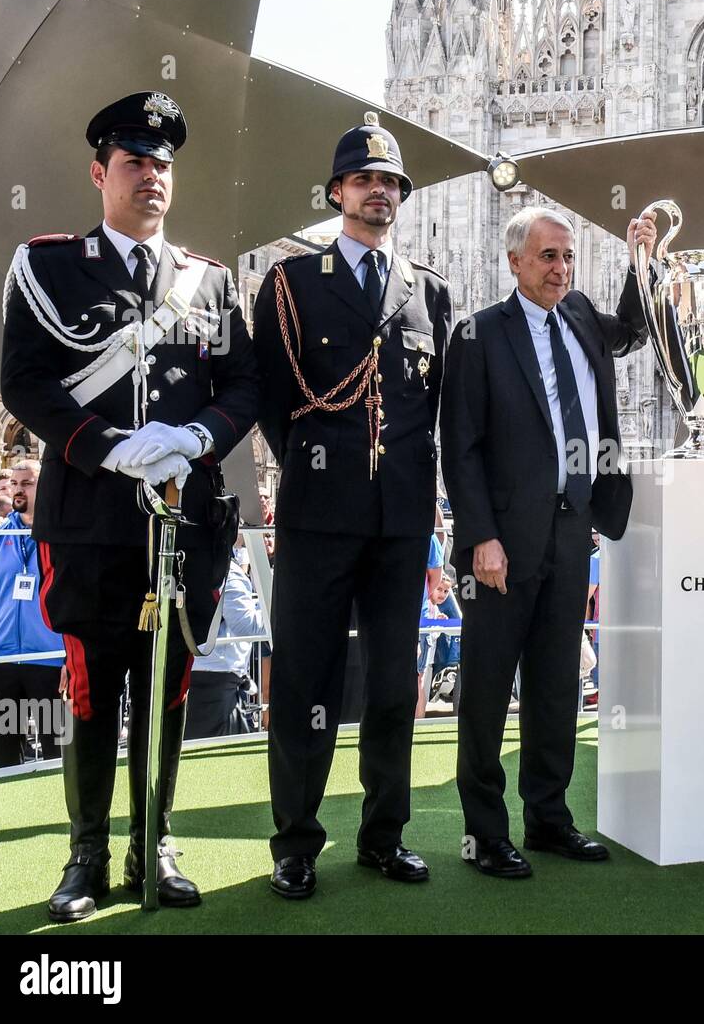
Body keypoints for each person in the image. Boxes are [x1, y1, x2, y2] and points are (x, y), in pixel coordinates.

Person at [0, 91, 259, 920]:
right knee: (89, 688)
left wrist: (197, 437)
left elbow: (247, 383)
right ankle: (86, 854)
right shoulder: (47, 267)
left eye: (162, 165)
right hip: (89, 518)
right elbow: (27, 383)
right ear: (99, 172)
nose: (151, 177)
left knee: (168, 685)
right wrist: (109, 446)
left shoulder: (209, 282)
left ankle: (157, 841)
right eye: (135, 162)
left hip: (184, 522)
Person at [254, 116, 450, 899]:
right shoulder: (294, 282)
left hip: (400, 521)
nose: (379, 193)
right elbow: (273, 397)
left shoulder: (428, 289)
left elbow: (433, 403)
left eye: (390, 184)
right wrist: (321, 468)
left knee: (395, 687)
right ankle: (297, 841)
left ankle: (383, 834)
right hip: (317, 515)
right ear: (337, 192)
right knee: (306, 680)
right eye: (365, 181)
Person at [440, 206, 653, 878]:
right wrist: (480, 536)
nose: (561, 268)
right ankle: (485, 834)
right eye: (547, 257)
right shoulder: (478, 335)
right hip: (502, 543)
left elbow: (636, 330)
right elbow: (461, 446)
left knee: (558, 685)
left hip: (573, 530)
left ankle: (550, 819)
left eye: (566, 256)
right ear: (515, 262)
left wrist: (639, 259)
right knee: (486, 691)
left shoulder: (584, 315)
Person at [0, 461, 65, 767]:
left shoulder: (61, 536)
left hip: (50, 664)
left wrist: (71, 657)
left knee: (58, 756)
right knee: (6, 759)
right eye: (14, 483)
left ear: (45, 485)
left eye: (28, 483)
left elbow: (77, 599)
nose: (18, 489)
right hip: (2, 664)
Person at [185, 538, 266, 740]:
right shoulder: (229, 573)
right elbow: (248, 627)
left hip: (197, 672)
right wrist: (272, 607)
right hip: (217, 680)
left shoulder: (192, 564)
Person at [415, 534, 444, 719]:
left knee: (417, 678)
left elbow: (435, 577)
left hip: (420, 623)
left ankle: (417, 726)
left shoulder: (430, 539)